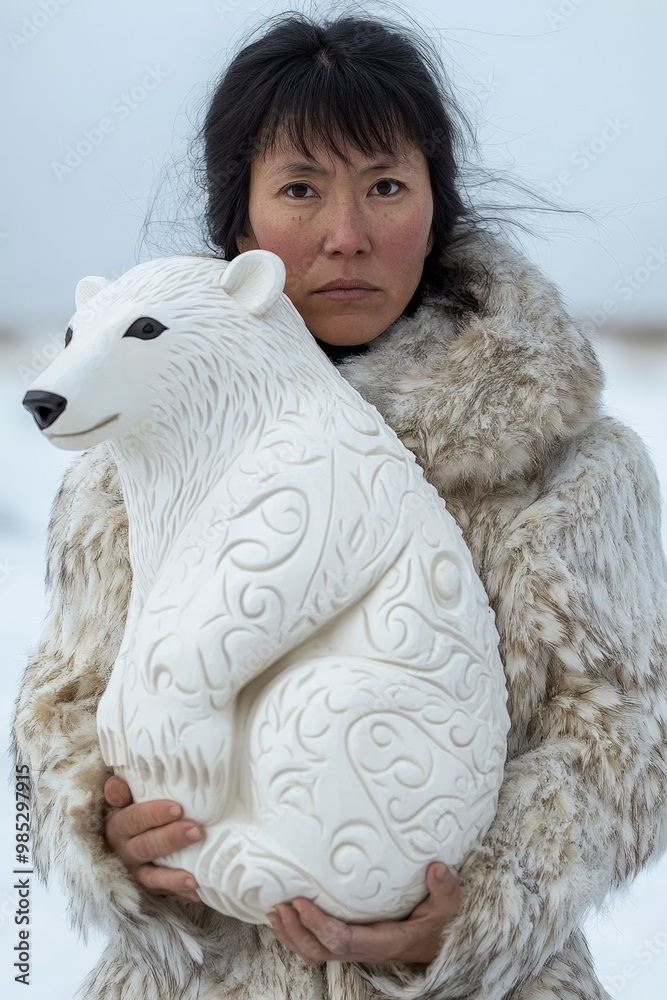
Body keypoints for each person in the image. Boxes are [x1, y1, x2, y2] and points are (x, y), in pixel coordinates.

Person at [12, 10, 667, 1000]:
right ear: (241, 227)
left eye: (387, 187)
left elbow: (624, 737)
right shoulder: (125, 463)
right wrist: (93, 823)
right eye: (301, 189)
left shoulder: (573, 467)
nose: (347, 235)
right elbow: (53, 711)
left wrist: (480, 908)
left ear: (435, 208)